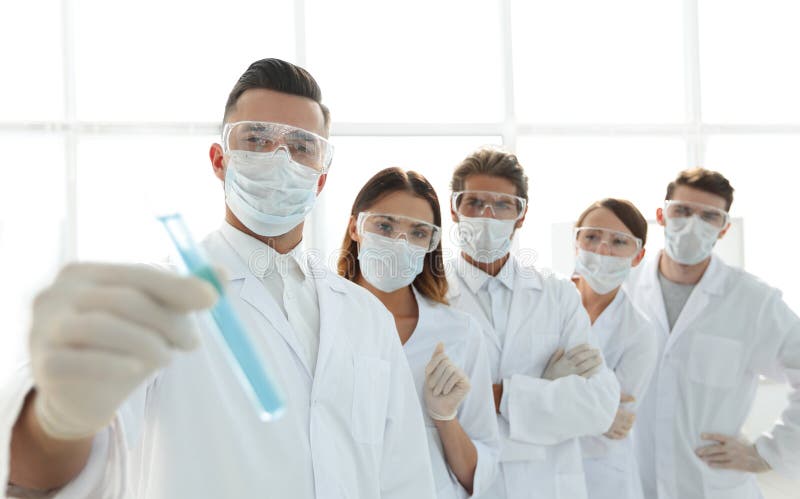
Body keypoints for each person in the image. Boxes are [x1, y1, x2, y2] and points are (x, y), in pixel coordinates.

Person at [3, 58, 436, 498]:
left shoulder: (366, 317)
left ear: (320, 178)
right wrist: (58, 418)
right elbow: (32, 466)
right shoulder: (158, 304)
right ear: (219, 160)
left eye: (302, 147)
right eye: (257, 139)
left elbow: (406, 477)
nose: (280, 159)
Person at [445, 146, 621, 499]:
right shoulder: (429, 295)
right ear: (454, 209)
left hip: (550, 485)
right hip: (465, 483)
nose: (487, 215)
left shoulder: (557, 295)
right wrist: (540, 392)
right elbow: (423, 405)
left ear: (521, 215)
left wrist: (501, 396)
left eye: (502, 204)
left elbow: (599, 406)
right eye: (474, 202)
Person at [625, 167, 800, 499]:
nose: (693, 223)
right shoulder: (624, 289)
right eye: (682, 211)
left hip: (713, 487)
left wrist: (769, 454)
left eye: (709, 216)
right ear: (662, 215)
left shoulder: (753, 301)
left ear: (723, 229)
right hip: (634, 482)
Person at [337, 167, 500, 498]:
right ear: (356, 227)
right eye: (384, 226)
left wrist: (445, 418)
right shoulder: (322, 318)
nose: (401, 243)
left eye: (418, 232)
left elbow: (477, 477)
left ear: (431, 244)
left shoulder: (459, 333)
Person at [570, 198, 658, 499]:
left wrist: (542, 396)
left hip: (602, 479)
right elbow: (601, 416)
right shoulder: (544, 302)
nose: (603, 250)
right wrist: (591, 408)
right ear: (576, 242)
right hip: (535, 472)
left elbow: (612, 428)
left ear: (637, 256)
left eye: (619, 242)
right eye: (592, 237)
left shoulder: (640, 332)